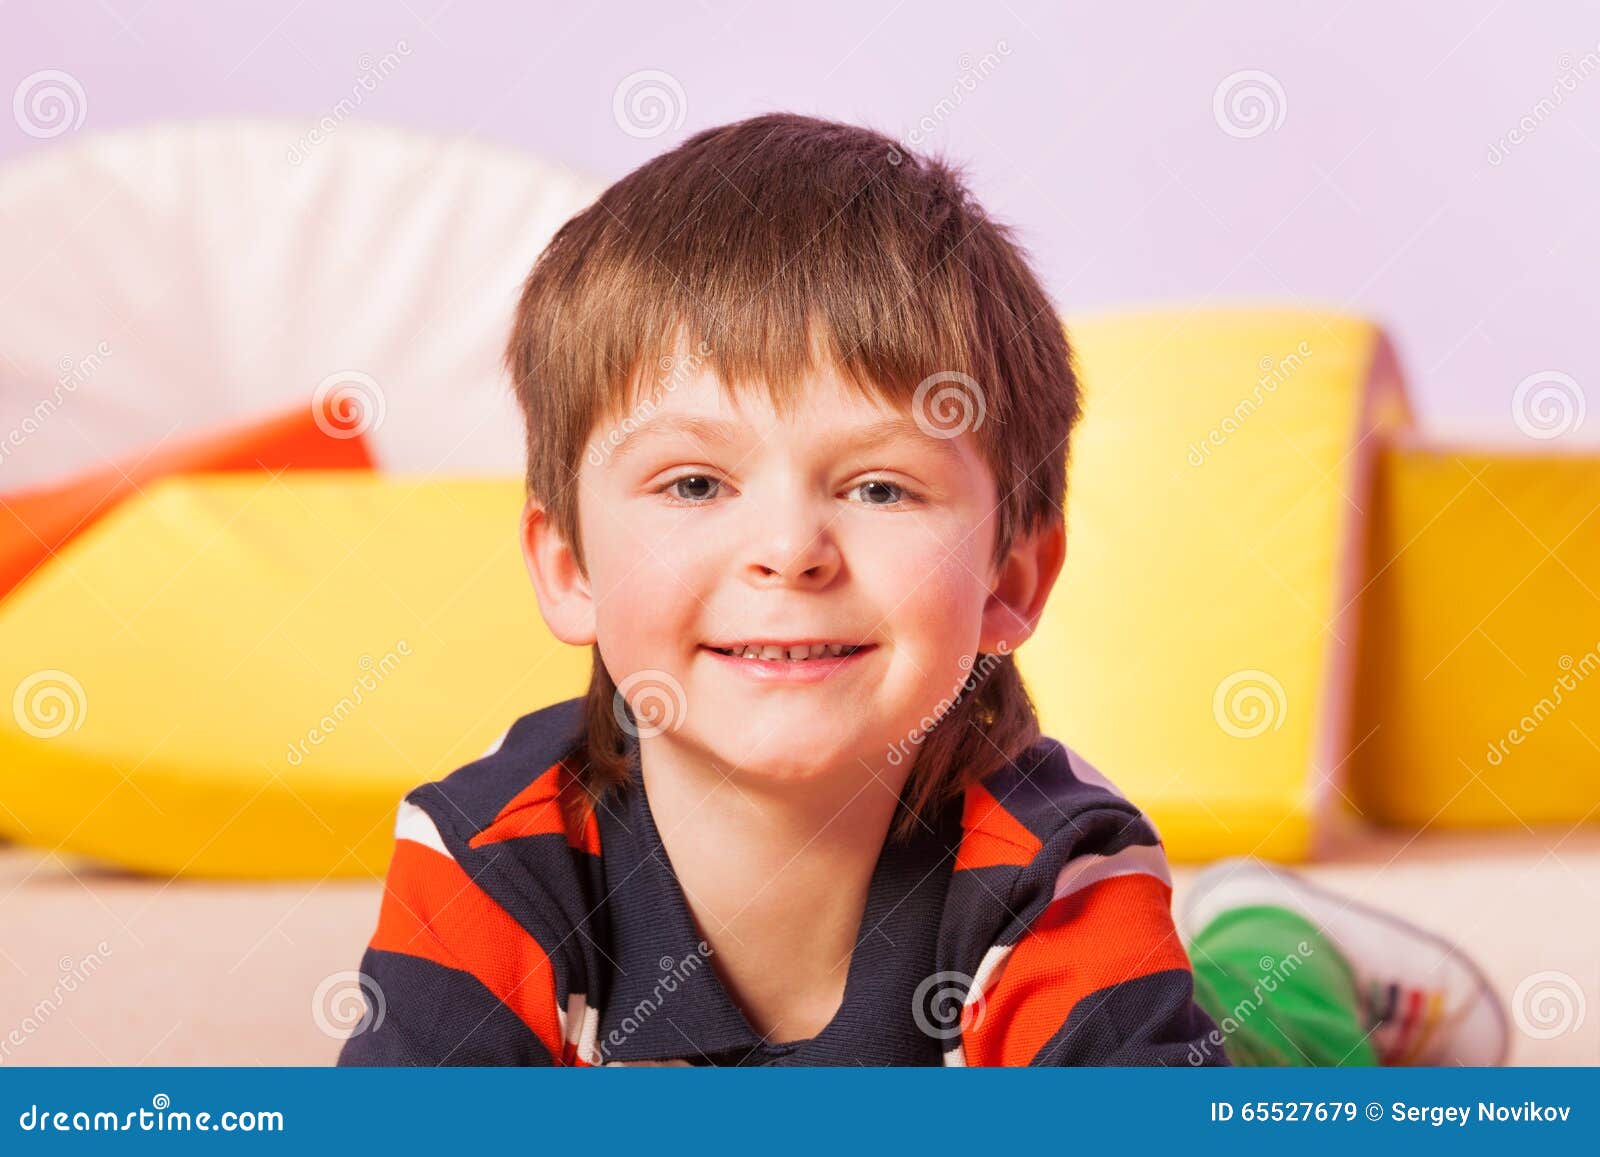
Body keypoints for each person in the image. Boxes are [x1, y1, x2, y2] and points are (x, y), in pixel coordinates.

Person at [336, 112, 1504, 1067]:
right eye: (694, 482)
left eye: (880, 487)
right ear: (568, 567)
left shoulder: (1055, 867)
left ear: (1011, 577)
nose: (789, 549)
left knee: (1269, 1053)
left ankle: (1267, 946)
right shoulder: (488, 854)